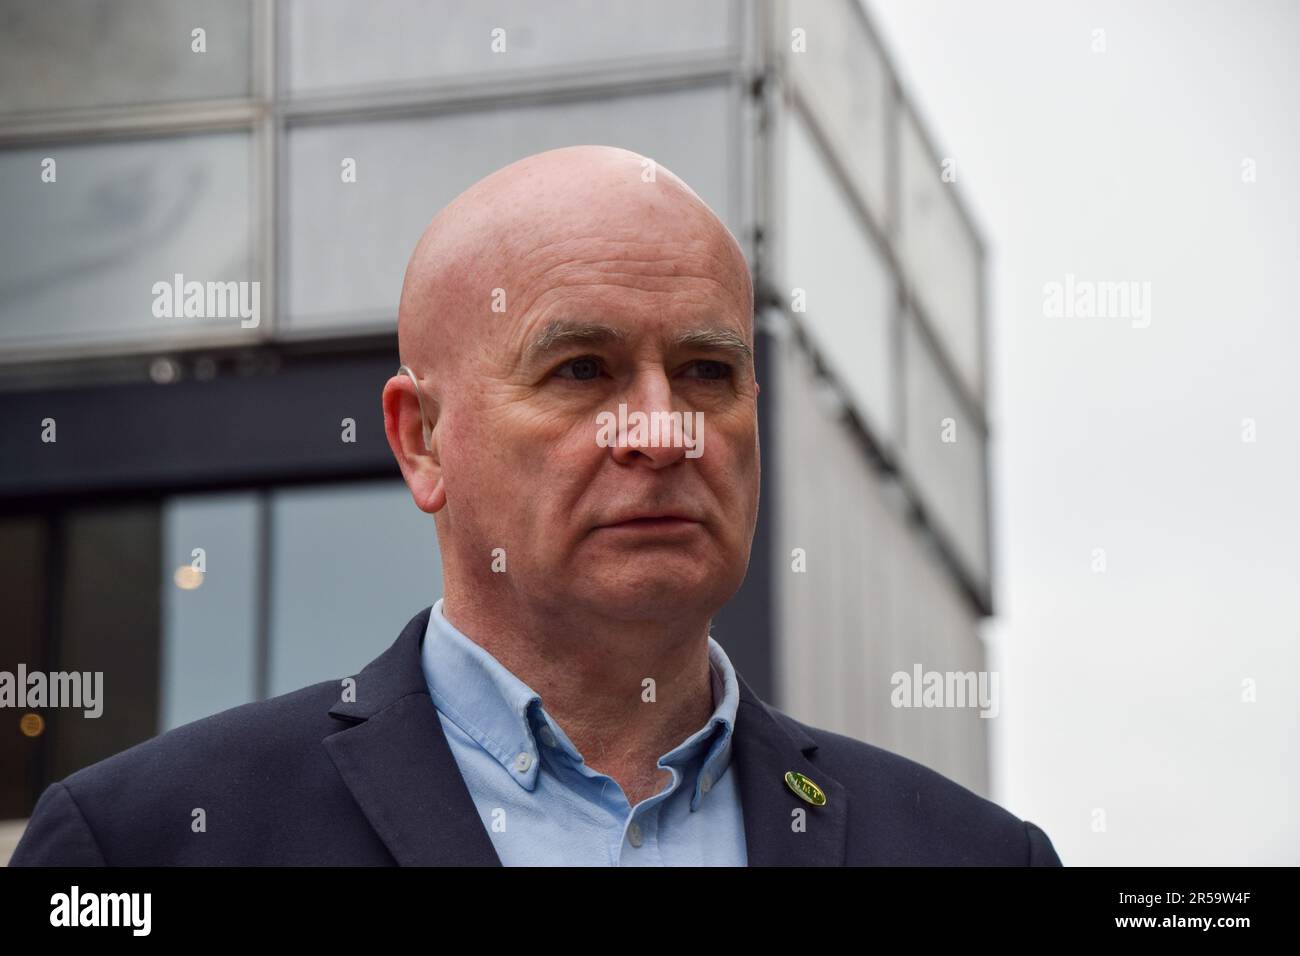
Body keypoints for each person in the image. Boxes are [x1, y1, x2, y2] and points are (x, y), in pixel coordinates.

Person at [10, 145, 1061, 866]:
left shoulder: (966, 853)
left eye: (704, 370)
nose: (662, 429)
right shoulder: (152, 844)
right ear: (423, 440)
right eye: (581, 370)